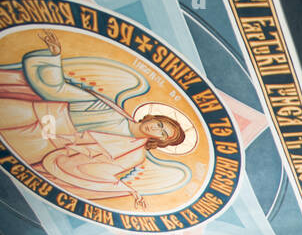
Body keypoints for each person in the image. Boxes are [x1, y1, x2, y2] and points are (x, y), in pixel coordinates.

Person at [0, 31, 188, 207]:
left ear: (160, 141)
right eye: (161, 124)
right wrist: (54, 57)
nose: (156, 129)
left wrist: (128, 190)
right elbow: (58, 90)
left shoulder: (132, 154)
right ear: (153, 117)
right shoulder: (110, 110)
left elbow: (98, 172)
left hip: (44, 144)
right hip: (38, 114)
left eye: (162, 133)